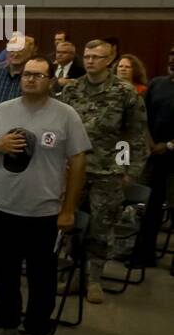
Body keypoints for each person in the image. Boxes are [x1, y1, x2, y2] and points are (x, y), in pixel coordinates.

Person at [0, 56, 89, 335]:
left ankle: (37, 329)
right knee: (5, 269)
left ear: (50, 80)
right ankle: (6, 323)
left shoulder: (66, 115)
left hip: (44, 210)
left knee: (41, 274)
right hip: (2, 205)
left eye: (38, 75)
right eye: (26, 74)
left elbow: (77, 162)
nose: (30, 79)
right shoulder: (2, 111)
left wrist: (68, 209)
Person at [57, 38, 149, 304]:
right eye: (87, 56)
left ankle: (94, 277)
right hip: (73, 169)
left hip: (108, 171)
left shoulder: (124, 92)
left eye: (97, 57)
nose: (90, 61)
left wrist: (131, 172)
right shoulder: (72, 89)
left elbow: (136, 135)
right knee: (70, 224)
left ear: (109, 60)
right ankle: (73, 273)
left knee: (100, 226)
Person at [136, 45, 174, 267]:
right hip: (154, 156)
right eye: (170, 56)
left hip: (170, 154)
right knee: (150, 207)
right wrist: (150, 143)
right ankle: (144, 254)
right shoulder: (157, 84)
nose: (172, 60)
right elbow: (142, 116)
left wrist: (168, 145)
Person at [0, 34, 36, 113]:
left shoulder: (33, 78)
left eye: (20, 50)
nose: (15, 54)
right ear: (6, 52)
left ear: (29, 53)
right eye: (12, 50)